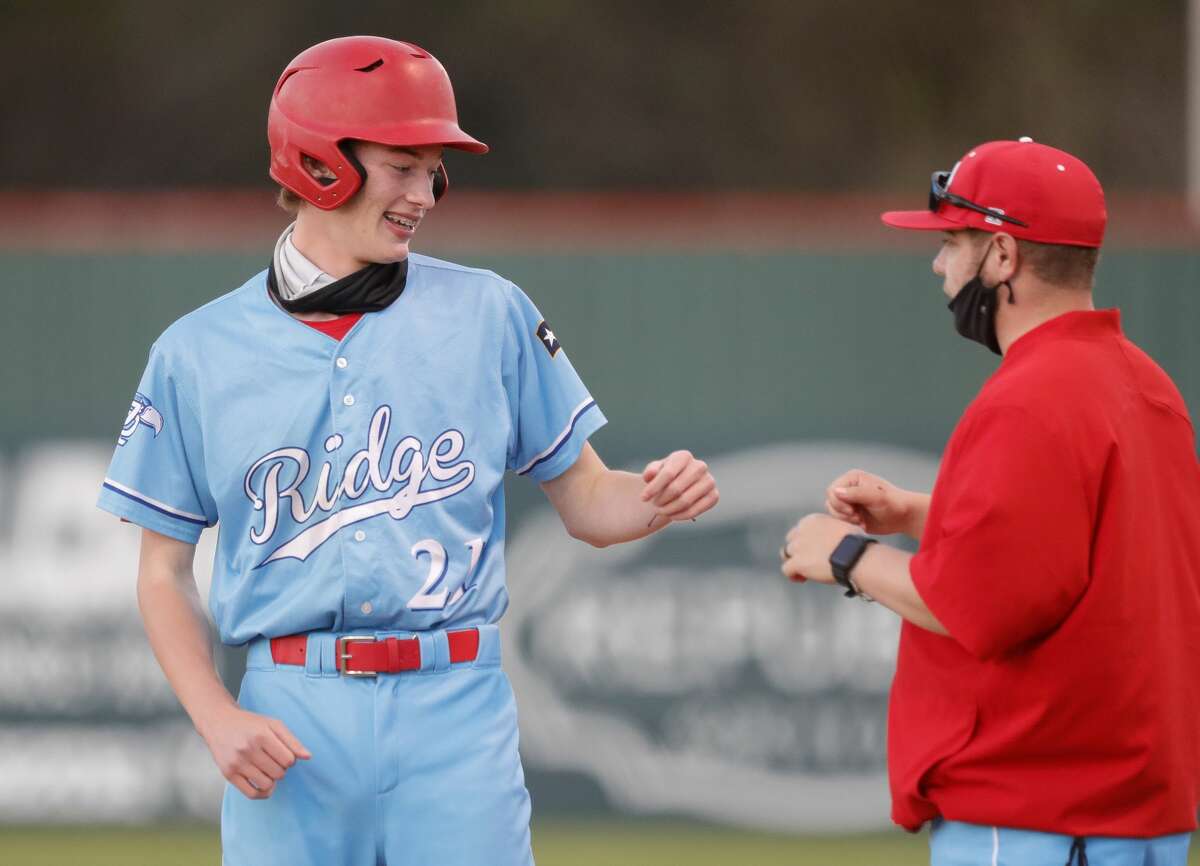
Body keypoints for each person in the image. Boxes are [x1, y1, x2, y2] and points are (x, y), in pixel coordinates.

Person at [97, 35, 718, 866]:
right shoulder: (197, 350)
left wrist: (655, 497)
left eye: (434, 169)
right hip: (290, 713)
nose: (425, 192)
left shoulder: (490, 312)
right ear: (321, 163)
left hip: (454, 706)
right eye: (402, 164)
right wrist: (217, 716)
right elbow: (163, 571)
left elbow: (591, 504)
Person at [778, 138, 1200, 865]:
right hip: (1137, 815)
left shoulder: (1032, 397)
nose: (940, 265)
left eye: (952, 241)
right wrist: (917, 512)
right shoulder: (1147, 384)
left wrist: (844, 554)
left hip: (1043, 817)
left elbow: (971, 605)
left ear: (1003, 256)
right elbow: (1078, 534)